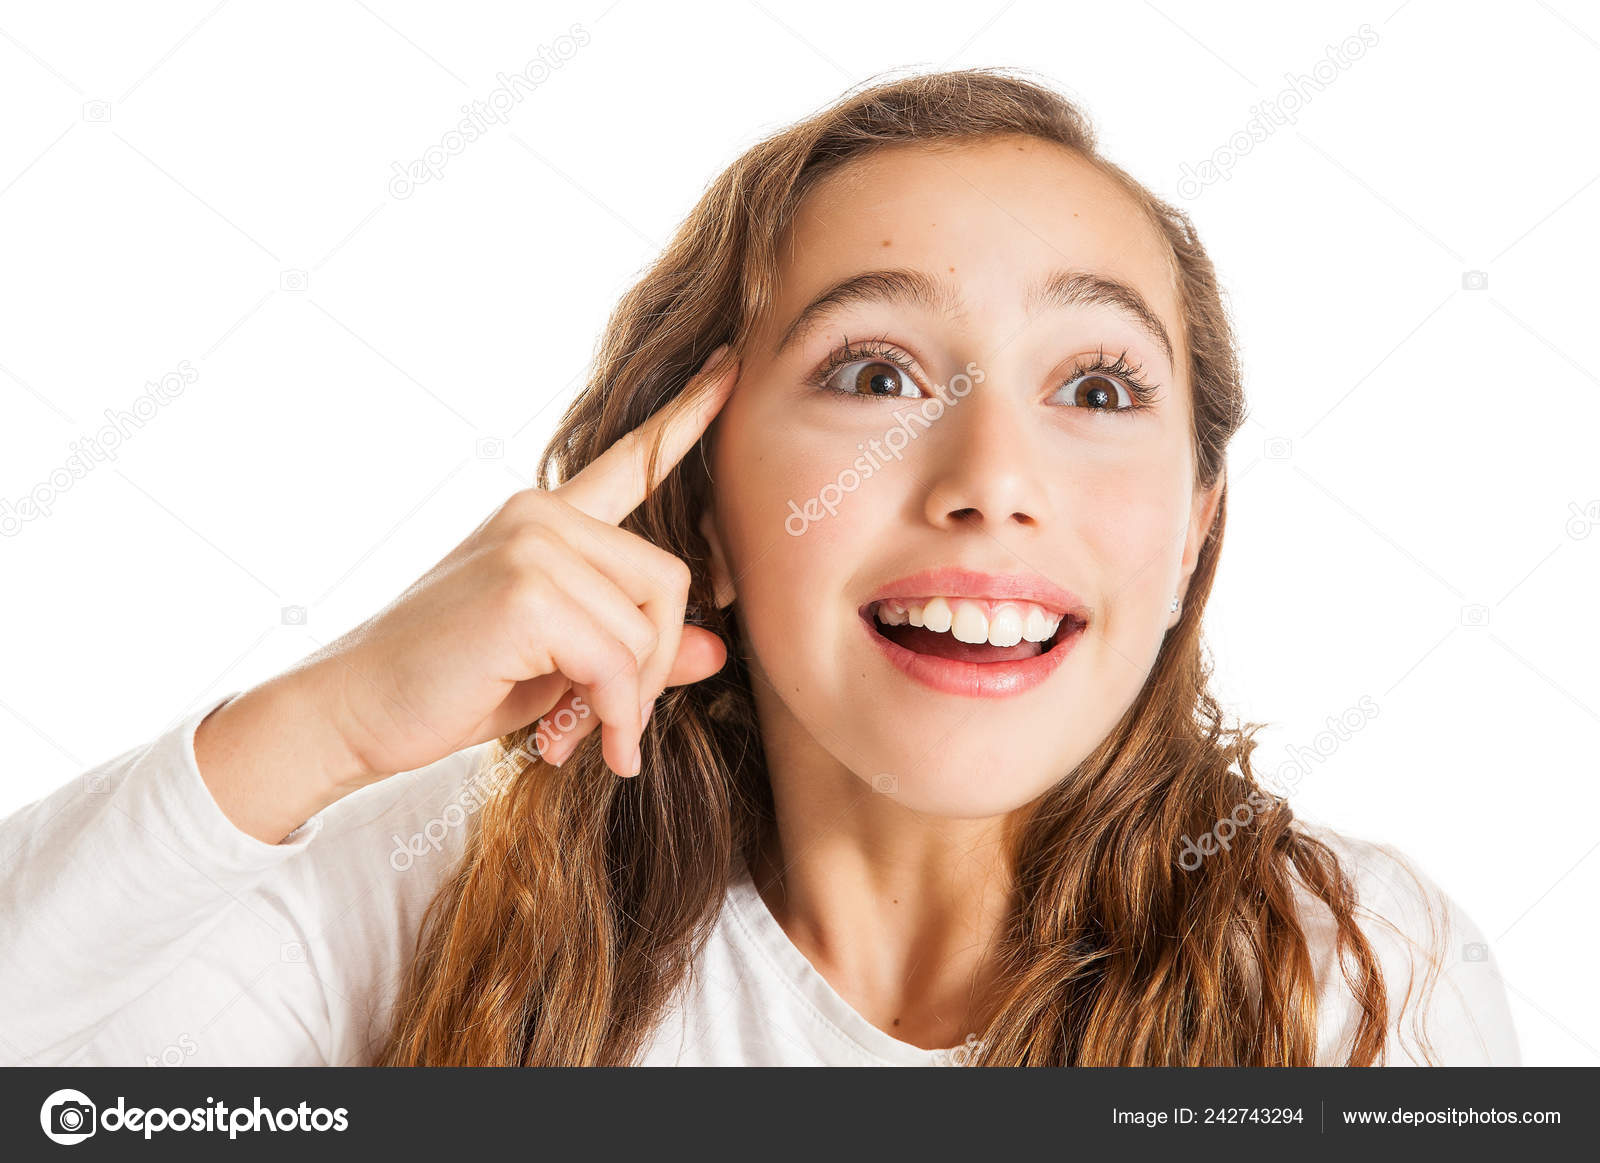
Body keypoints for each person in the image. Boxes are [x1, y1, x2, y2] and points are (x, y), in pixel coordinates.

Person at [0, 67, 1518, 1067]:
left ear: (1191, 529)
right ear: (702, 501)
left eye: (1099, 389)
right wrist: (329, 722)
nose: (990, 485)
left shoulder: (1357, 981)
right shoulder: (416, 909)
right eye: (874, 376)